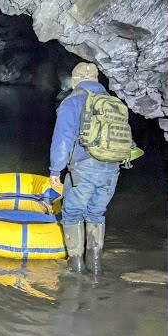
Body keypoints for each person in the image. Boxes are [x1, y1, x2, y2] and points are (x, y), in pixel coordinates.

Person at [48, 62, 127, 277]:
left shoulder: (73, 102)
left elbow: (63, 140)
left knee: (72, 214)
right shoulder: (114, 102)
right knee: (96, 213)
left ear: (75, 80)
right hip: (112, 167)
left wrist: (56, 171)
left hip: (84, 167)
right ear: (97, 79)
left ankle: (76, 268)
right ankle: (95, 267)